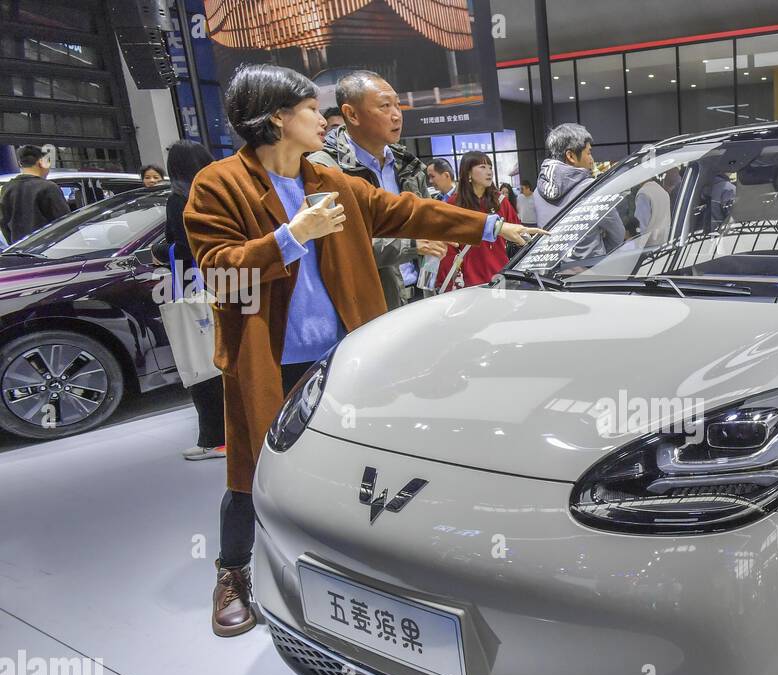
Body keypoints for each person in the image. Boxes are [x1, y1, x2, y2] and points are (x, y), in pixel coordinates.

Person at [183, 63, 545, 637]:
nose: (321, 121)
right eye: (309, 111)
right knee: (250, 475)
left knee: (360, 464)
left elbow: (407, 212)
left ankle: (354, 569)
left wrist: (495, 230)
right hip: (268, 359)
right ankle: (233, 573)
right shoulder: (219, 185)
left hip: (347, 355)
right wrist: (291, 236)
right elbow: (219, 272)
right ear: (275, 119)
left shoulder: (329, 182)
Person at [307, 70, 444, 310]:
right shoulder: (324, 169)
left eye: (397, 105)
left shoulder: (408, 164)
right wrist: (412, 246)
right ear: (351, 114)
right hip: (369, 306)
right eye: (384, 106)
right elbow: (341, 245)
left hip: (421, 296)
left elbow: (426, 225)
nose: (396, 116)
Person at [164, 140, 226, 461]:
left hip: (196, 290)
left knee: (200, 365)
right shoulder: (221, 192)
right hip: (235, 285)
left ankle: (214, 438)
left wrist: (162, 251)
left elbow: (183, 249)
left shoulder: (179, 201)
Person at [534, 122, 623, 256]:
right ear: (570, 156)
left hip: (550, 272)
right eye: (588, 153)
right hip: (589, 272)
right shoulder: (593, 189)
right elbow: (618, 234)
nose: (592, 160)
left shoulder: (538, 191)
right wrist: (598, 255)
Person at [435, 151, 519, 290]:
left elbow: (517, 233)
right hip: (468, 281)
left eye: (490, 167)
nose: (489, 172)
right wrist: (448, 283)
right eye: (482, 167)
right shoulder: (453, 205)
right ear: (468, 172)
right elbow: (448, 248)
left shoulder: (500, 202)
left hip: (501, 277)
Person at [0, 144, 70, 243]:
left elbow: (4, 223)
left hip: (20, 250)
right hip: (48, 249)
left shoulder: (7, 188)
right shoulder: (49, 187)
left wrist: (14, 245)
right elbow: (64, 223)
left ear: (20, 164)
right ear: (41, 162)